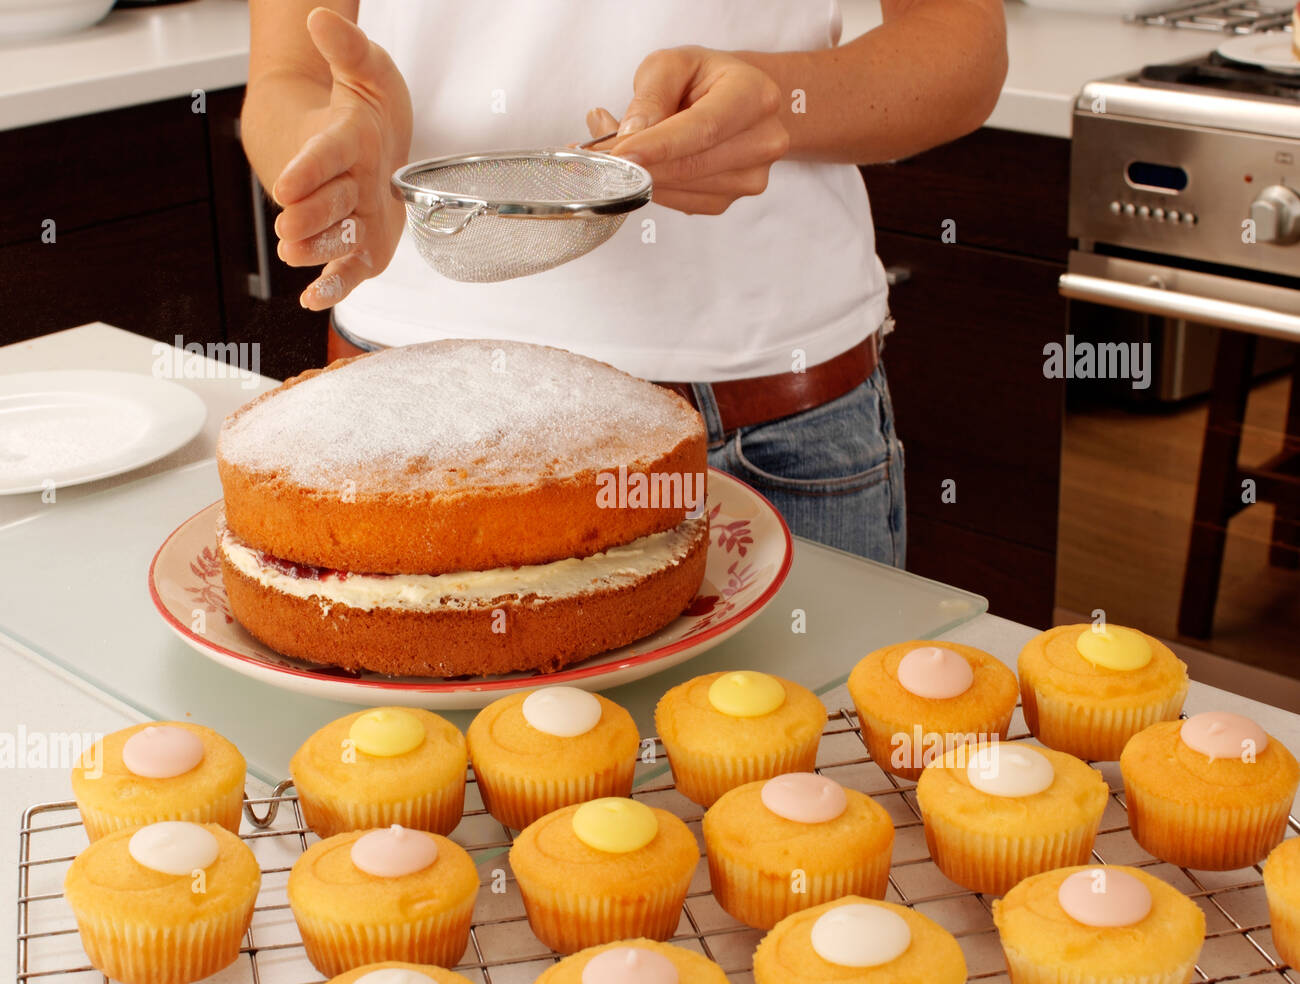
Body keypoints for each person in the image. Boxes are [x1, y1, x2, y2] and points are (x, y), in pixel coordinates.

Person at [242, 1, 1007, 566]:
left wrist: (778, 98)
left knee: (789, 780)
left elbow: (960, 46)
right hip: (396, 418)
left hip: (765, 428)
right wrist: (334, 157)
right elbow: (288, 74)